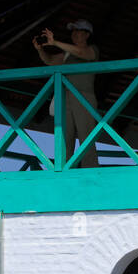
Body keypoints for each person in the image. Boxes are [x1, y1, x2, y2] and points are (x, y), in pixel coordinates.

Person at [33, 20, 100, 166]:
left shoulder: (92, 49)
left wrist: (55, 42)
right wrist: (40, 49)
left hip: (83, 97)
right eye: (73, 31)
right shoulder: (66, 55)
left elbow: (83, 53)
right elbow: (50, 60)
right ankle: (64, 169)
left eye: (78, 31)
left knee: (86, 136)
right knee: (65, 137)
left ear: (87, 34)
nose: (74, 34)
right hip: (66, 98)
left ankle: (91, 170)